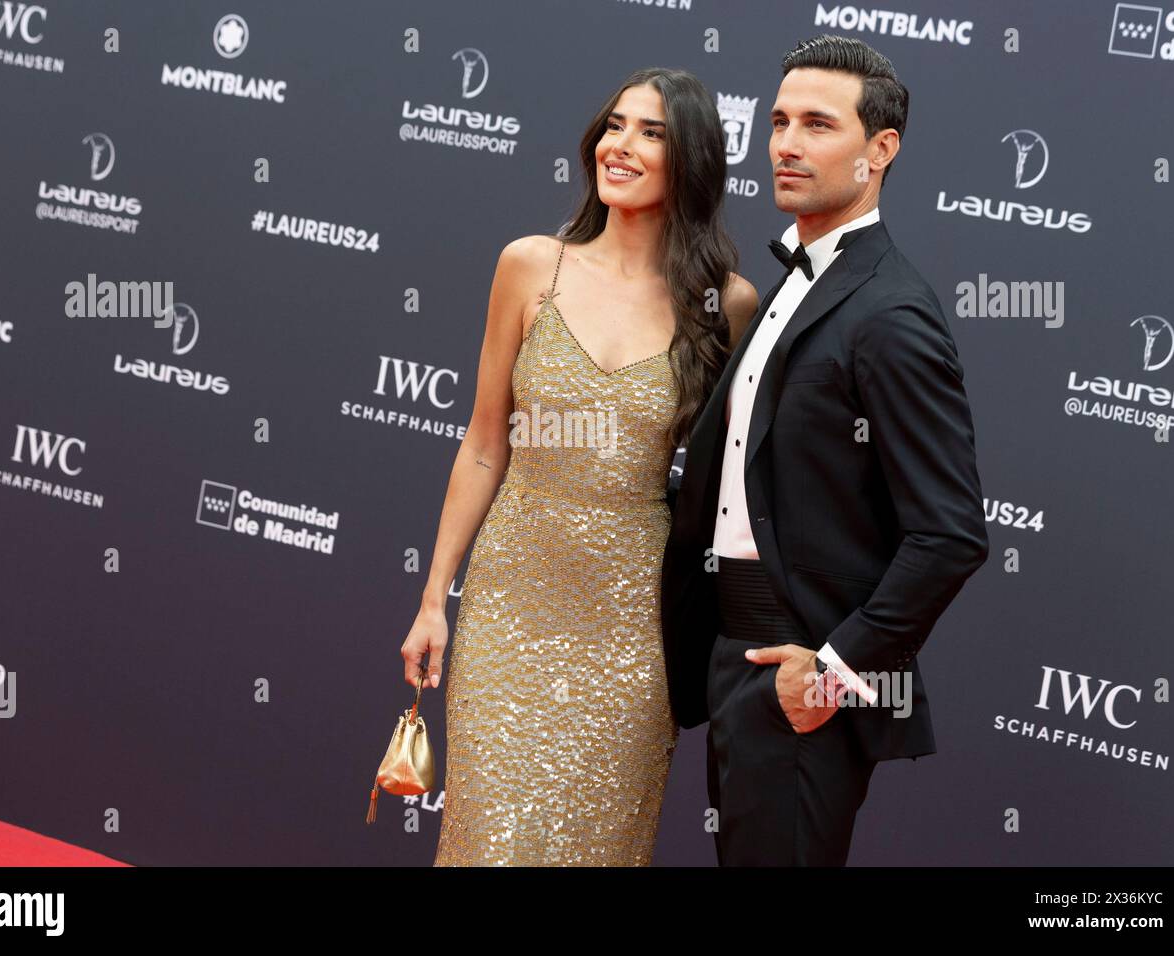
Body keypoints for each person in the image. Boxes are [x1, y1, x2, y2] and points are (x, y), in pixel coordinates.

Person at [400, 67, 758, 865]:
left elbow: (737, 484)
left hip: (633, 622)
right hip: (511, 597)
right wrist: (435, 599)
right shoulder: (531, 266)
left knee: (593, 846)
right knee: (490, 840)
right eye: (615, 125)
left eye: (652, 133)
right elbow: (486, 441)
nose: (621, 146)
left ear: (691, 160)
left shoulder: (728, 304)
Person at [661, 34, 988, 866]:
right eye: (778, 121)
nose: (787, 144)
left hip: (802, 669)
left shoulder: (890, 312)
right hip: (738, 657)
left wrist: (833, 672)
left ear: (880, 150)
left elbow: (949, 534)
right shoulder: (797, 283)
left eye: (817, 124)